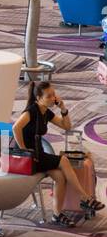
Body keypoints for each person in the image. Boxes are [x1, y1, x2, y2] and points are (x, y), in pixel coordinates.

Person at [11, 81, 103, 226]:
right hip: (28, 159)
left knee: (60, 176)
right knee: (64, 161)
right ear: (38, 99)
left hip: (38, 156)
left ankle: (57, 215)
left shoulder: (46, 112)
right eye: (49, 96)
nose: (53, 98)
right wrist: (23, 150)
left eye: (54, 94)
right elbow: (15, 128)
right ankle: (85, 198)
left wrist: (63, 108)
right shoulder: (31, 111)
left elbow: (66, 126)